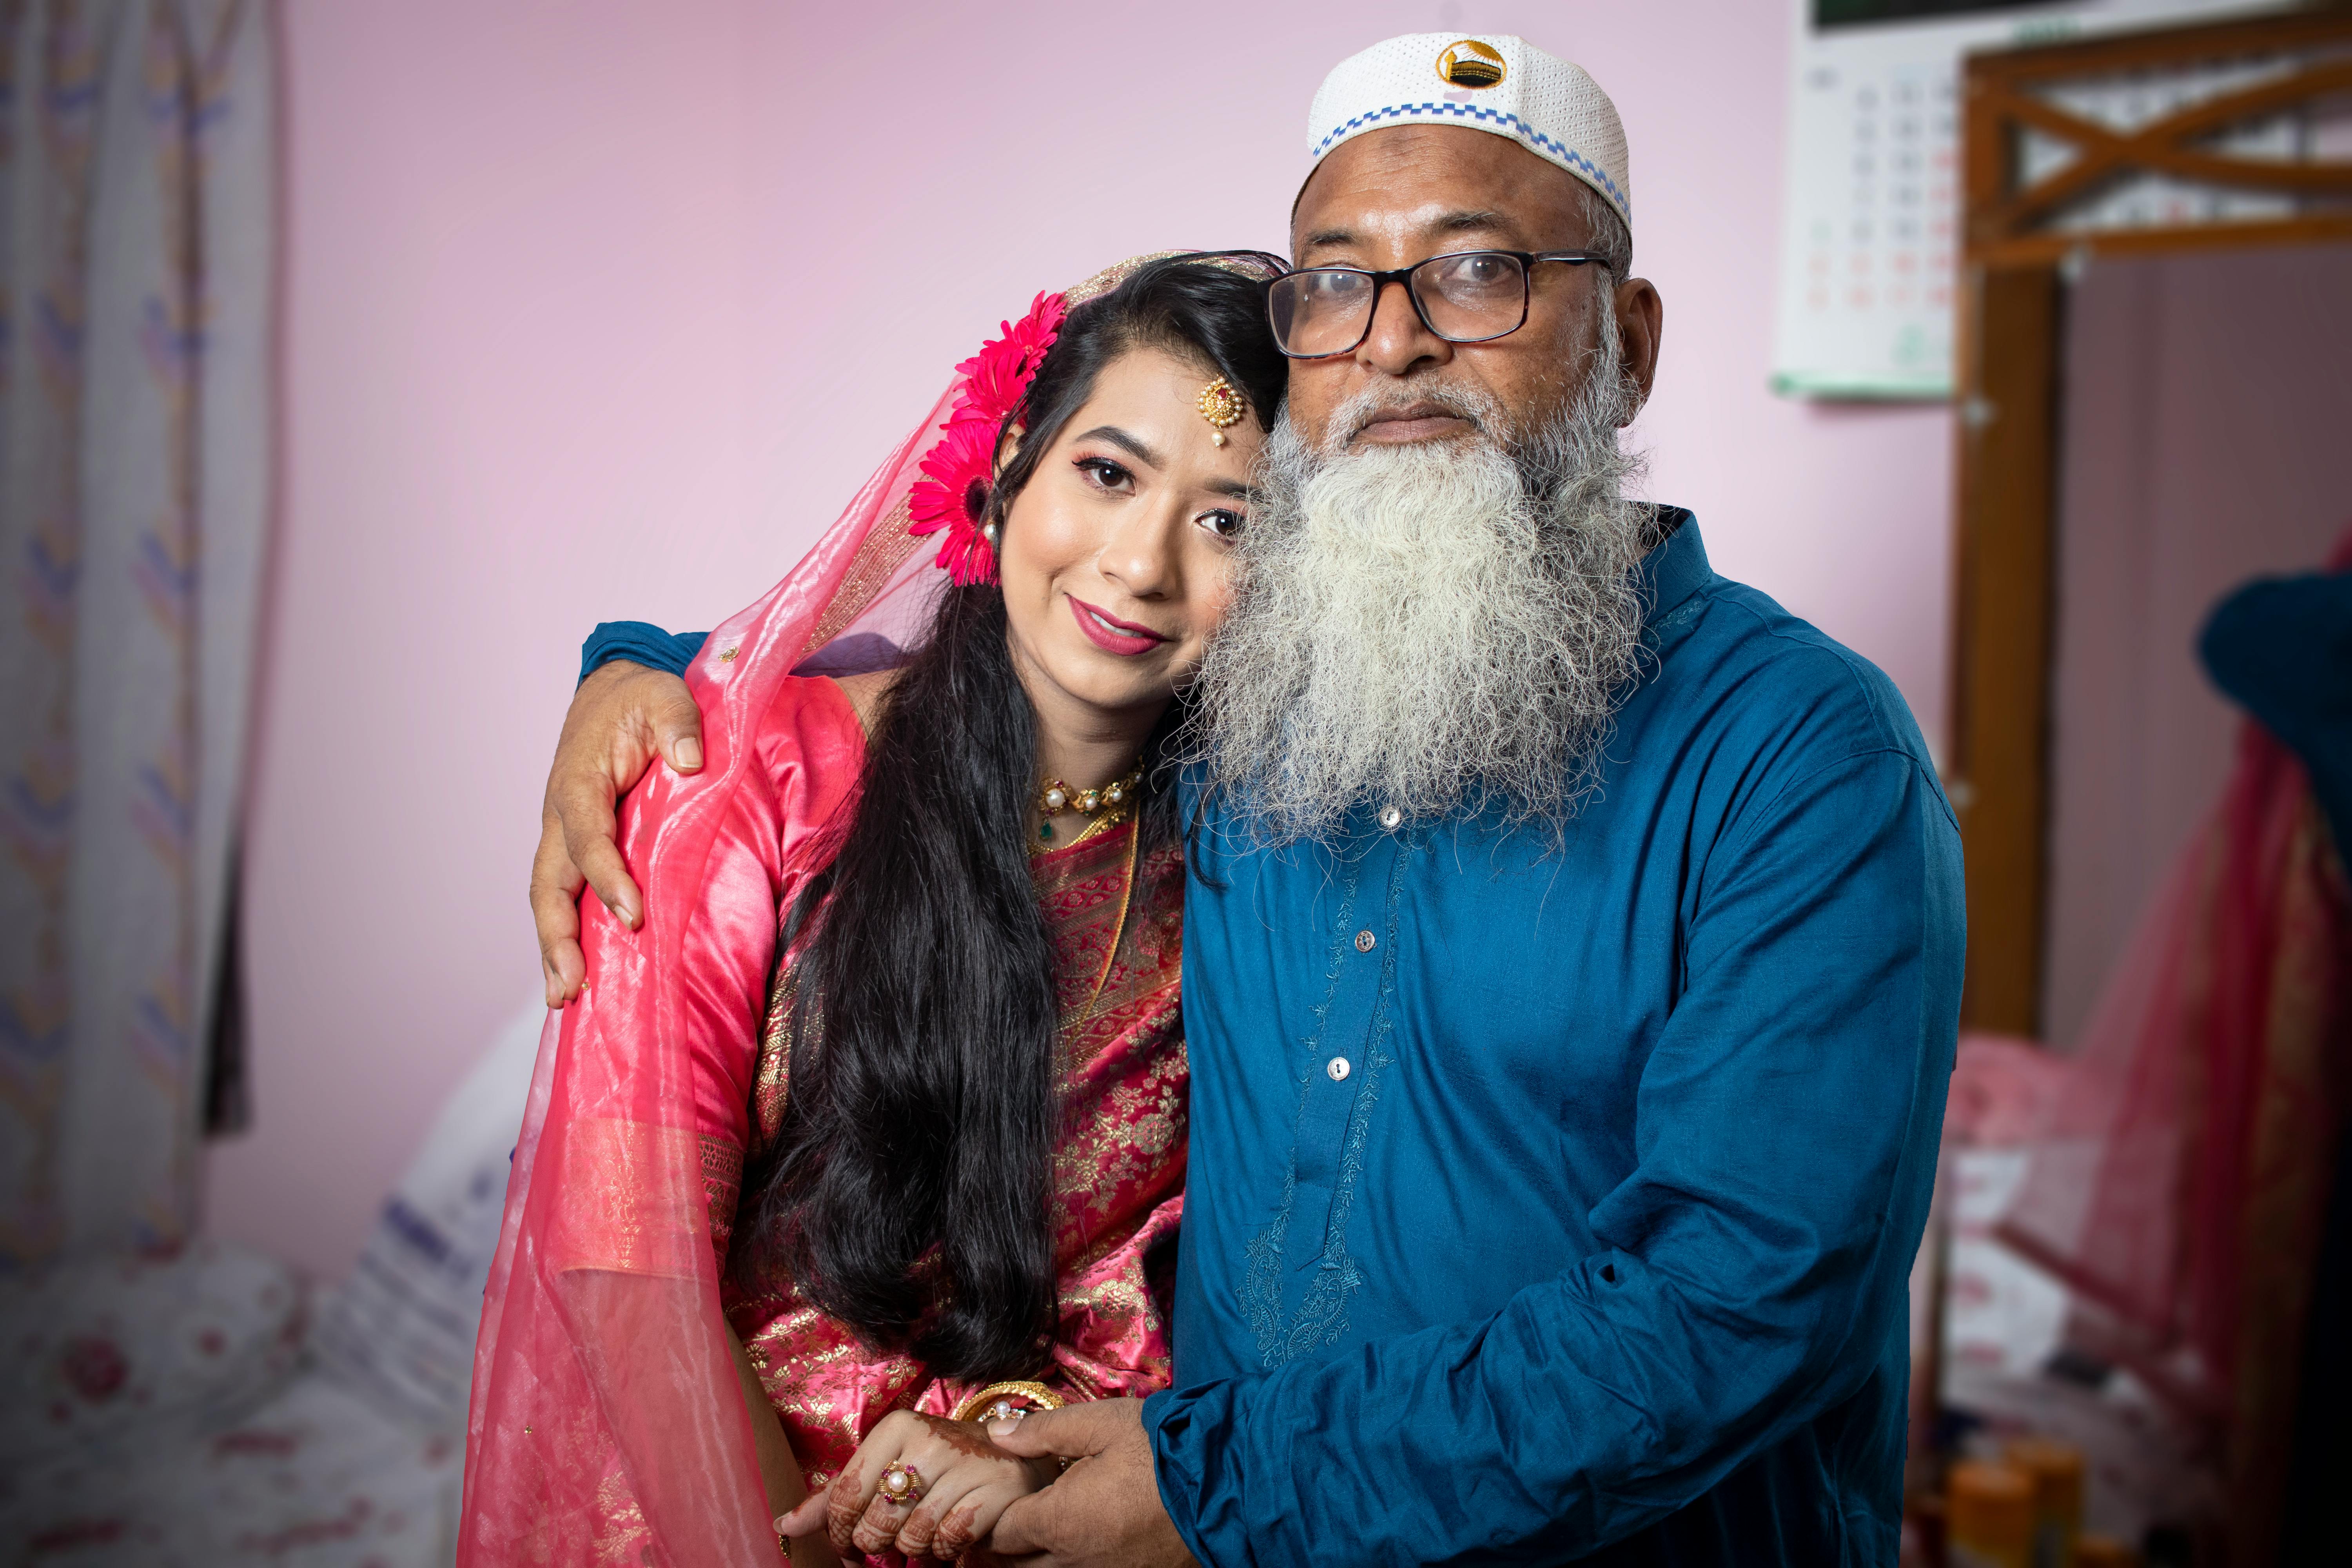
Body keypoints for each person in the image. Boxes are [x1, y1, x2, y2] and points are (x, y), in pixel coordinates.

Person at [537, 34, 1965, 1567]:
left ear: (1629, 339)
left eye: (1479, 274)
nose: (1398, 343)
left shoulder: (1805, 762)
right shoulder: (1268, 685)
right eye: (1339, 282)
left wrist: (1207, 1485)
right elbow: (1024, 642)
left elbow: (1729, 1309)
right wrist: (644, 672)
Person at [462, 253, 1289, 1566]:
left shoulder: (1253, 862)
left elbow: (1151, 1291)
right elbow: (628, 1273)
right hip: (717, 1513)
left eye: (1230, 521)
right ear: (1011, 457)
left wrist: (1009, 1445)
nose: (1140, 564)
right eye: (1110, 473)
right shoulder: (737, 789)